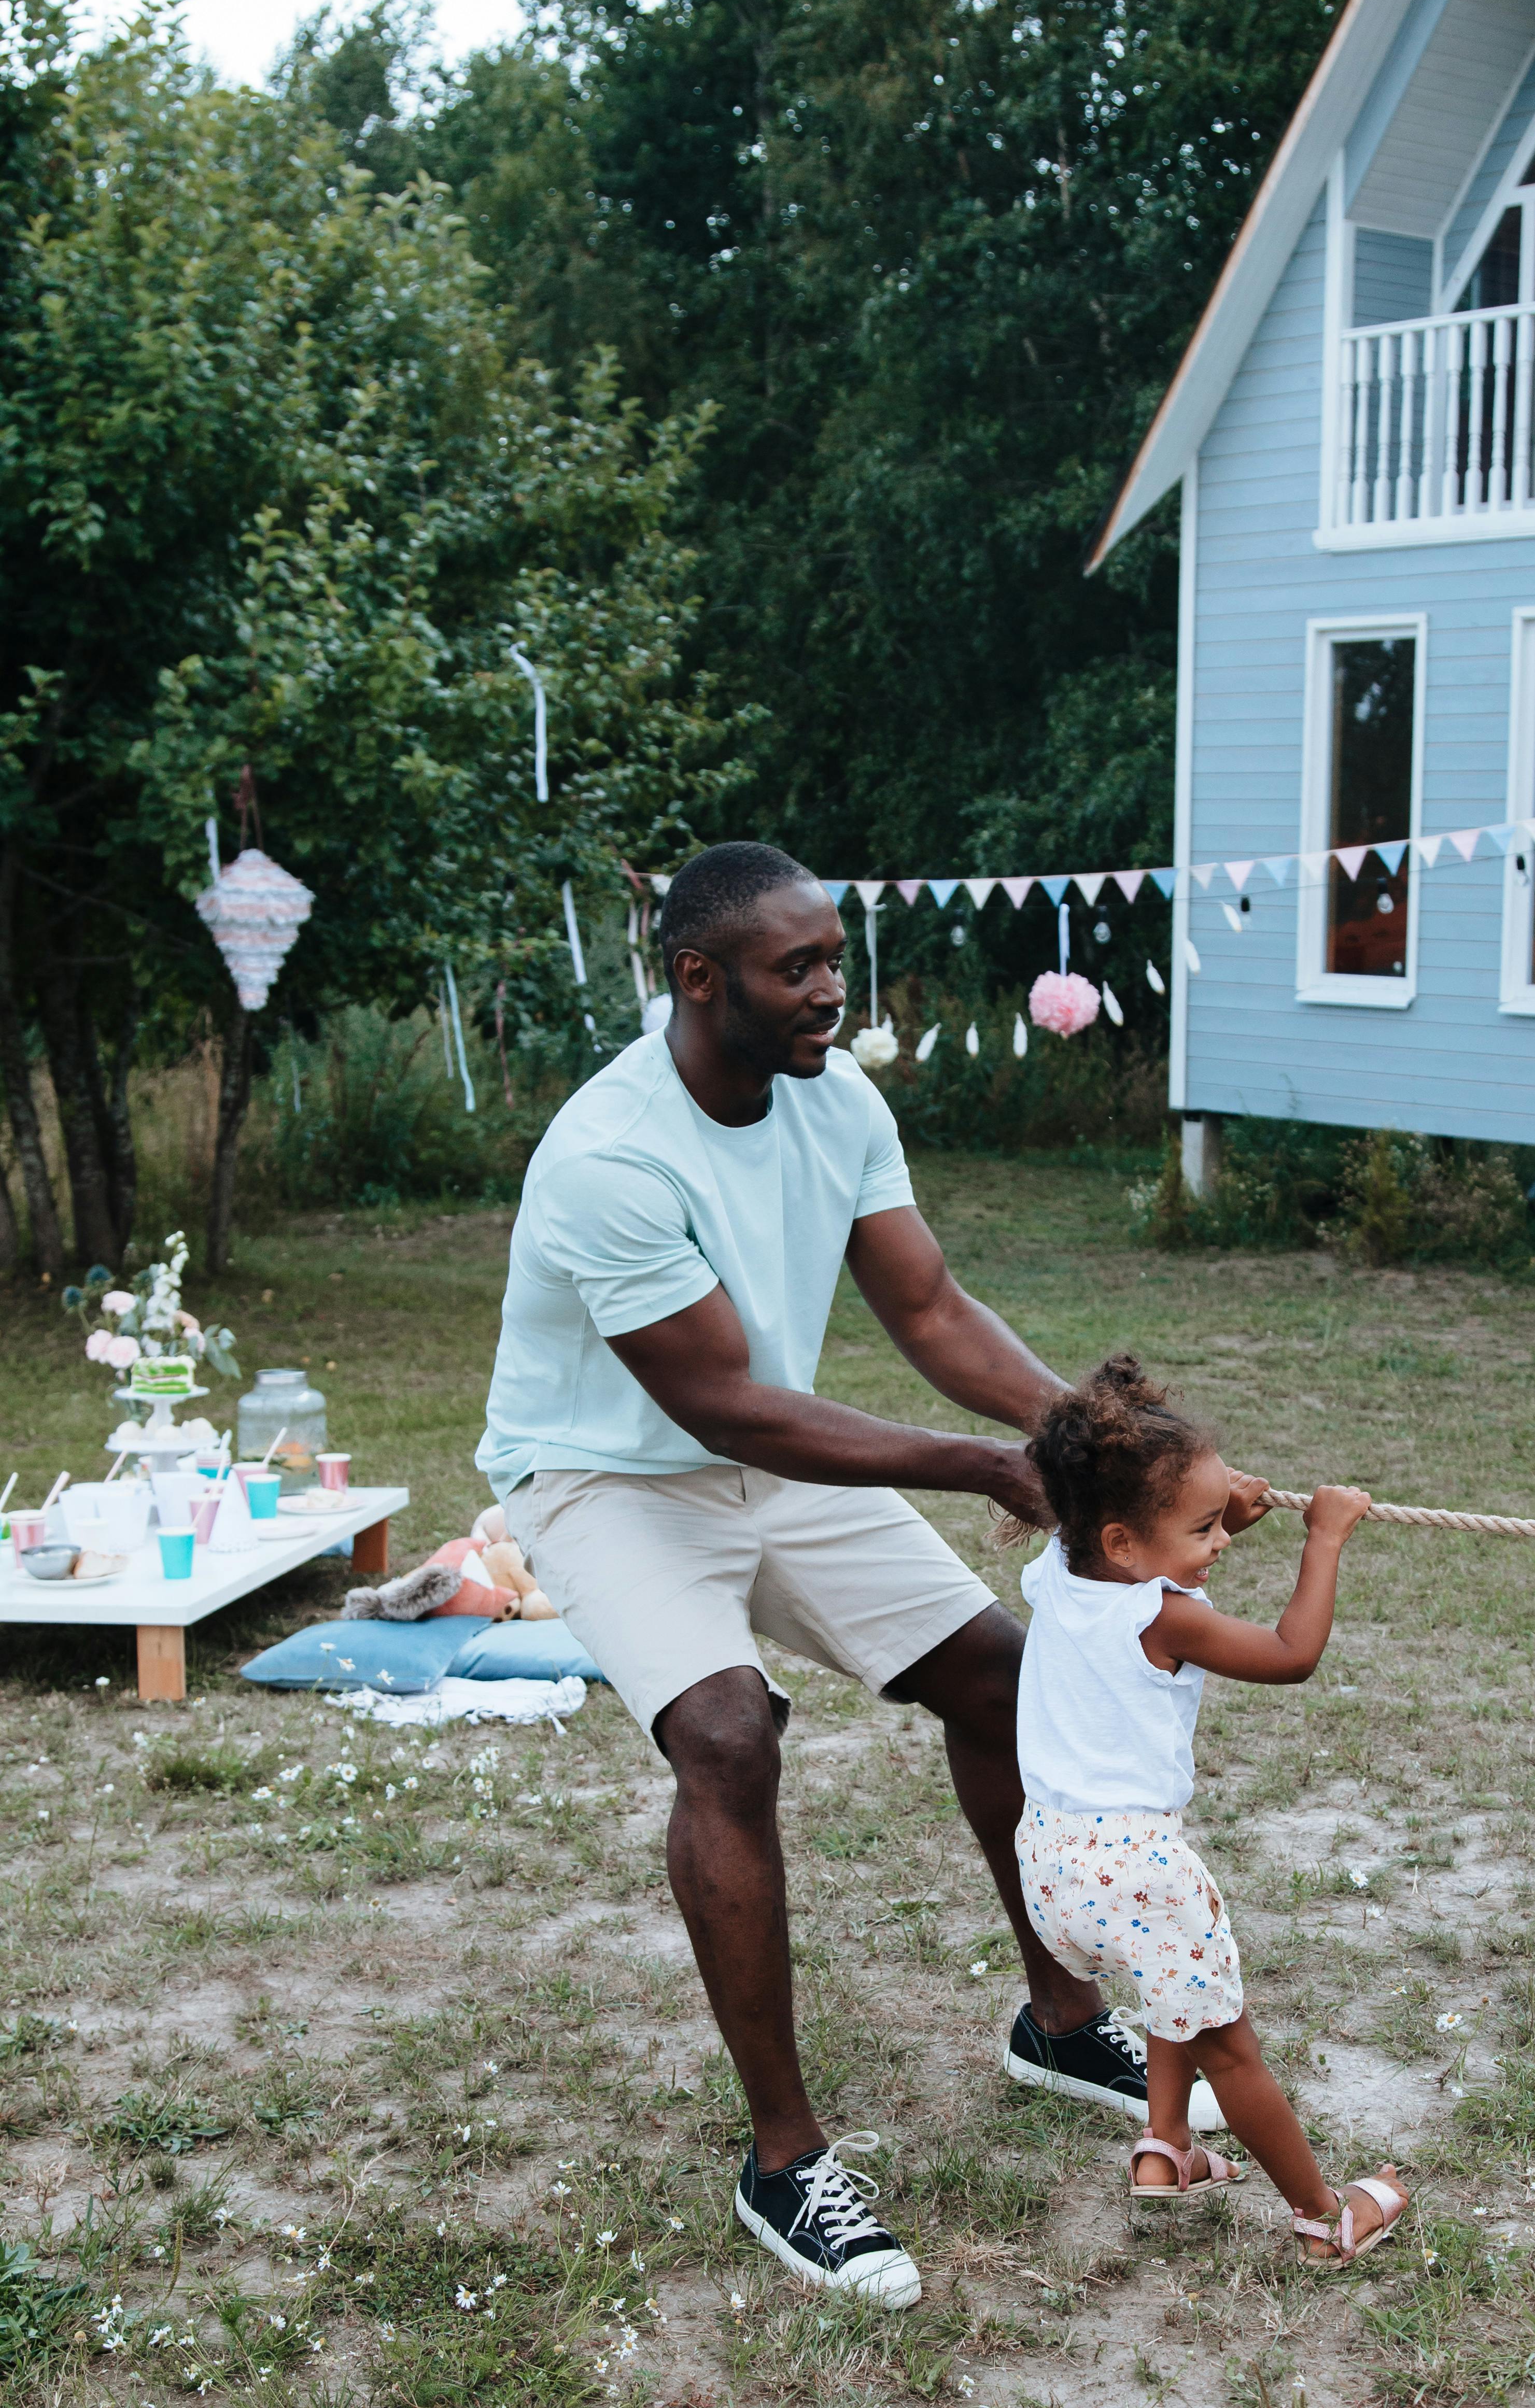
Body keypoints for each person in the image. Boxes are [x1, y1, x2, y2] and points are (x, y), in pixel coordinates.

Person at [477, 842, 1255, 2308]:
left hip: (767, 1452)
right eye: (798, 970)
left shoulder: (833, 1101)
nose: (831, 990)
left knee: (1001, 1680)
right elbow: (725, 1404)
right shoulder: (610, 1156)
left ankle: (1058, 2017)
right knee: (723, 1735)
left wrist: (1094, 1443)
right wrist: (971, 1468)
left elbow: (926, 1302)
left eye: (833, 958)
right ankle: (786, 2163)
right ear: (699, 979)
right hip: (607, 1475)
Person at [1010, 1354, 1410, 2266]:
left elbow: (1158, 1558)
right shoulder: (1163, 1614)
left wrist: (1219, 1512)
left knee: (1169, 1993)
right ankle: (1324, 2216)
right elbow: (1288, 1653)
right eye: (1202, 1528)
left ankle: (1168, 2151)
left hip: (1052, 1863)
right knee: (1229, 2047)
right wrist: (1325, 1538)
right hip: (1140, 1868)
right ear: (1123, 1542)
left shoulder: (1058, 1570)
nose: (1219, 1541)